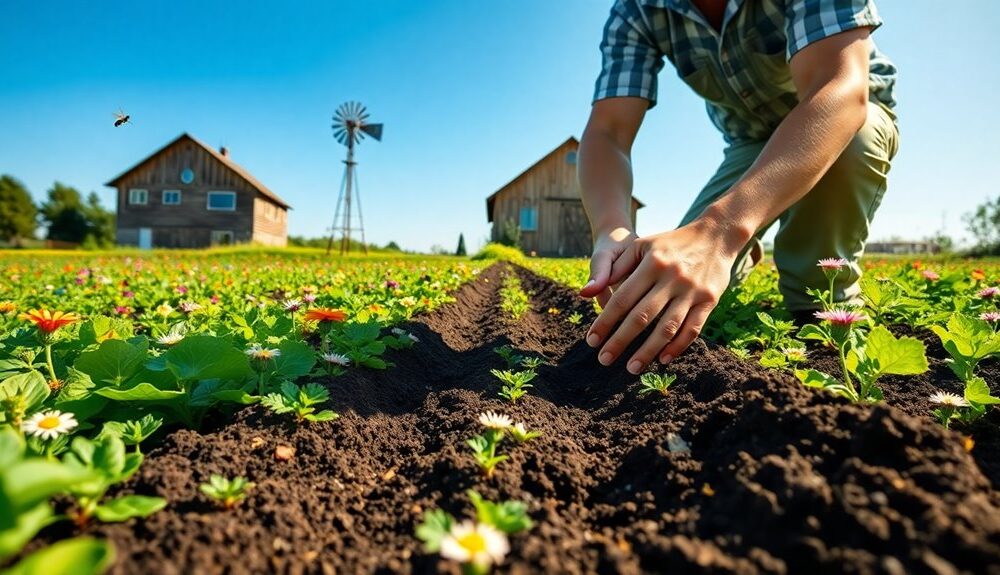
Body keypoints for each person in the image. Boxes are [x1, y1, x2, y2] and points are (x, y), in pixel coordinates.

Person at [578, 0, 897, 375]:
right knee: (662, 304)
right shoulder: (637, 11)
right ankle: (741, 256)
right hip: (750, 142)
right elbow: (608, 132)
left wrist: (719, 232)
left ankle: (822, 325)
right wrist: (611, 230)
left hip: (838, 116)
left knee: (815, 288)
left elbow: (839, 88)